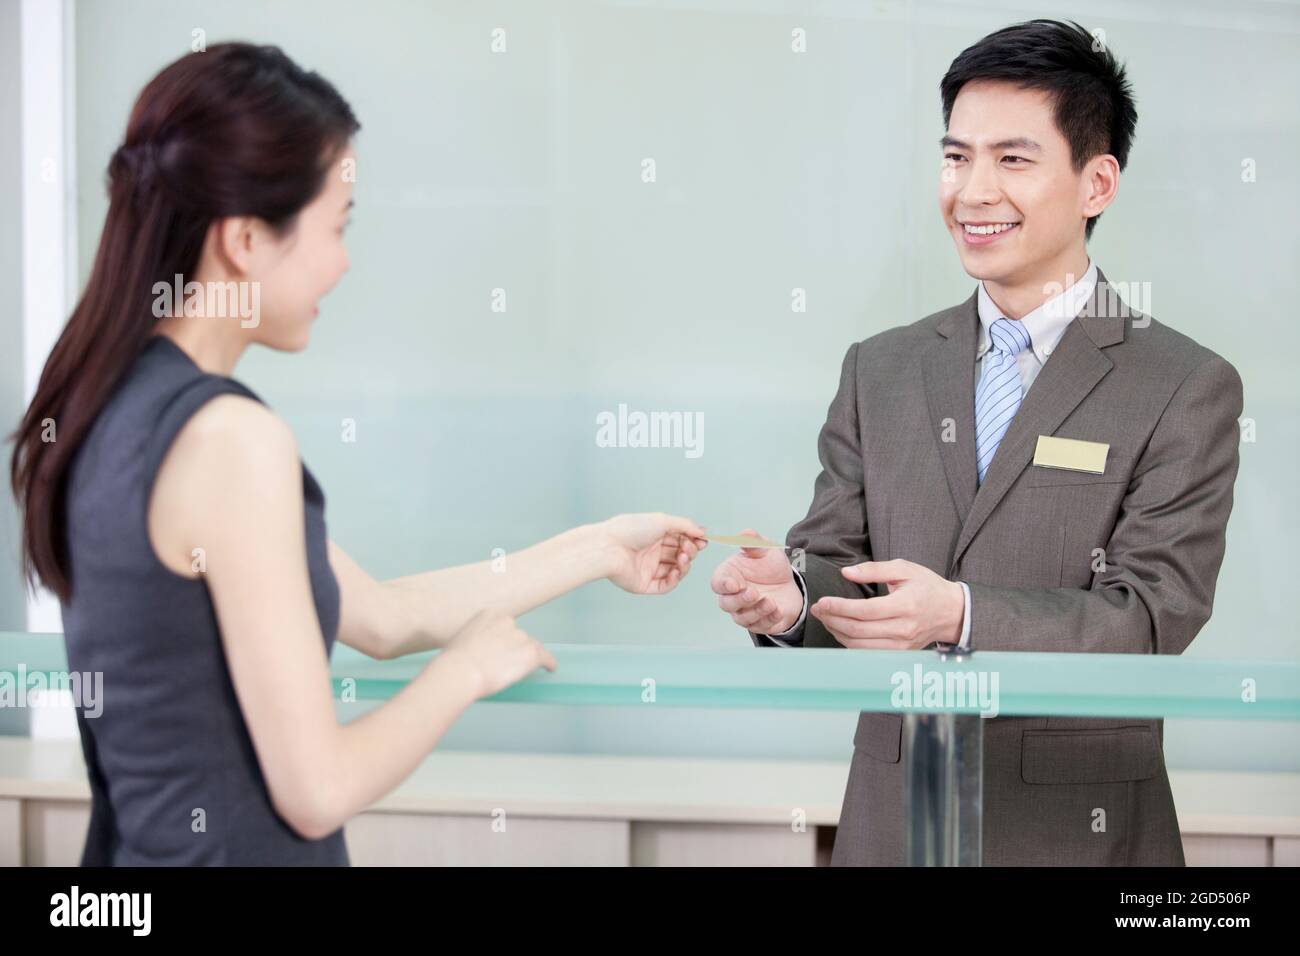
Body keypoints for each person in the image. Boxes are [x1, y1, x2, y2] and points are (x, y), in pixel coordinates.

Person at [7, 43, 707, 865]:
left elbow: (379, 616)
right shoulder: (230, 441)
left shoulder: (105, 408)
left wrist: (599, 548)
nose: (343, 263)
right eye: (334, 228)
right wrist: (466, 672)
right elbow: (316, 791)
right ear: (243, 239)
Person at [710, 19, 1242, 866]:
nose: (973, 190)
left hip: (1079, 829)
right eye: (956, 157)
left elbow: (1151, 617)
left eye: (1013, 159)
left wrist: (961, 613)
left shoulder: (1183, 385)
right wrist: (791, 600)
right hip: (898, 817)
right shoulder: (880, 368)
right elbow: (837, 559)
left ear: (1097, 182)